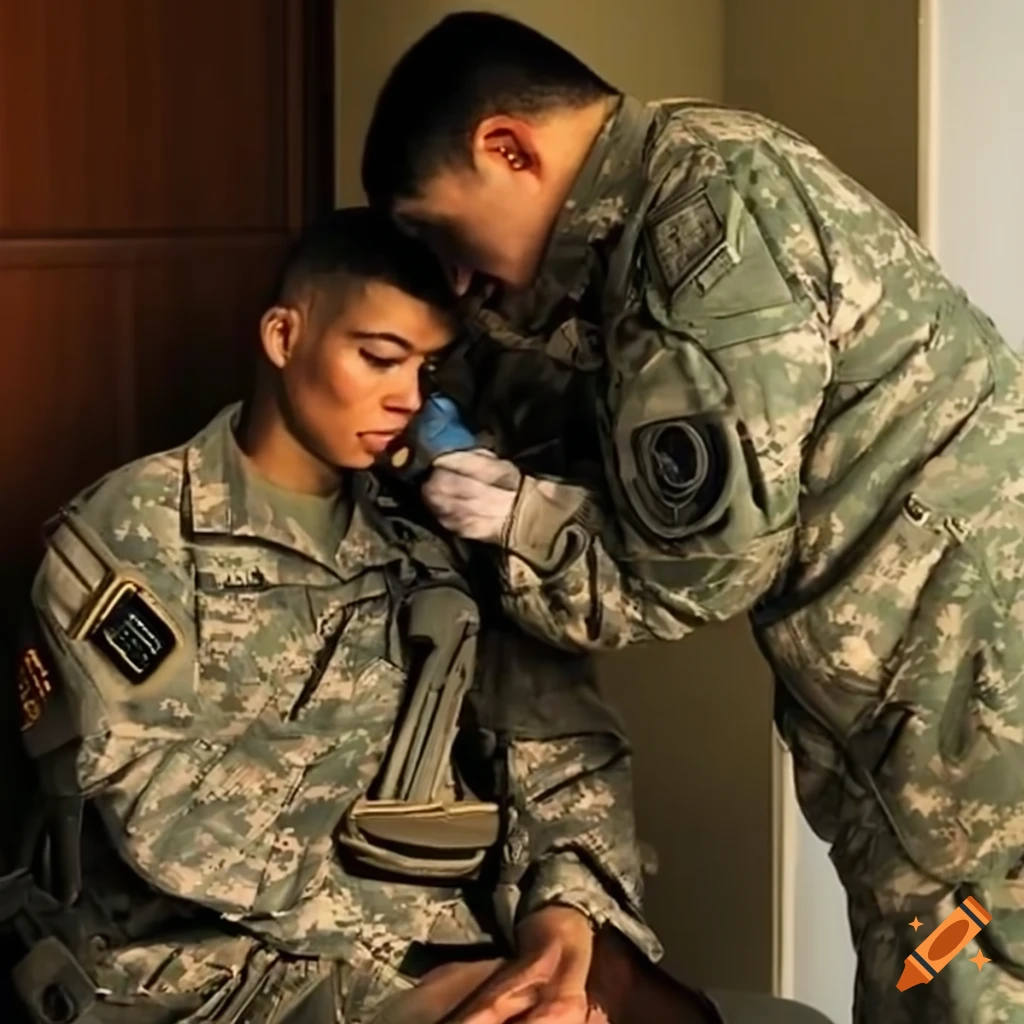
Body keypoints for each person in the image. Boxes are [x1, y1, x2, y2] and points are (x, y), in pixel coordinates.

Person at [361, 12, 1024, 1024]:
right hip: (935, 696)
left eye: (441, 232)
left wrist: (508, 513)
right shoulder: (690, 175)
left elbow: (687, 574)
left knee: (963, 985)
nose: (454, 277)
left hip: (963, 721)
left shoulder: (700, 239)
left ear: (508, 148)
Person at [10, 207, 681, 1024]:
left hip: (430, 947)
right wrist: (445, 941)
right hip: (199, 972)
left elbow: (558, 745)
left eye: (427, 372)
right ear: (284, 337)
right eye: (378, 359)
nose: (405, 399)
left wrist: (562, 916)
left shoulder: (431, 532)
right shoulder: (140, 530)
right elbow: (168, 815)